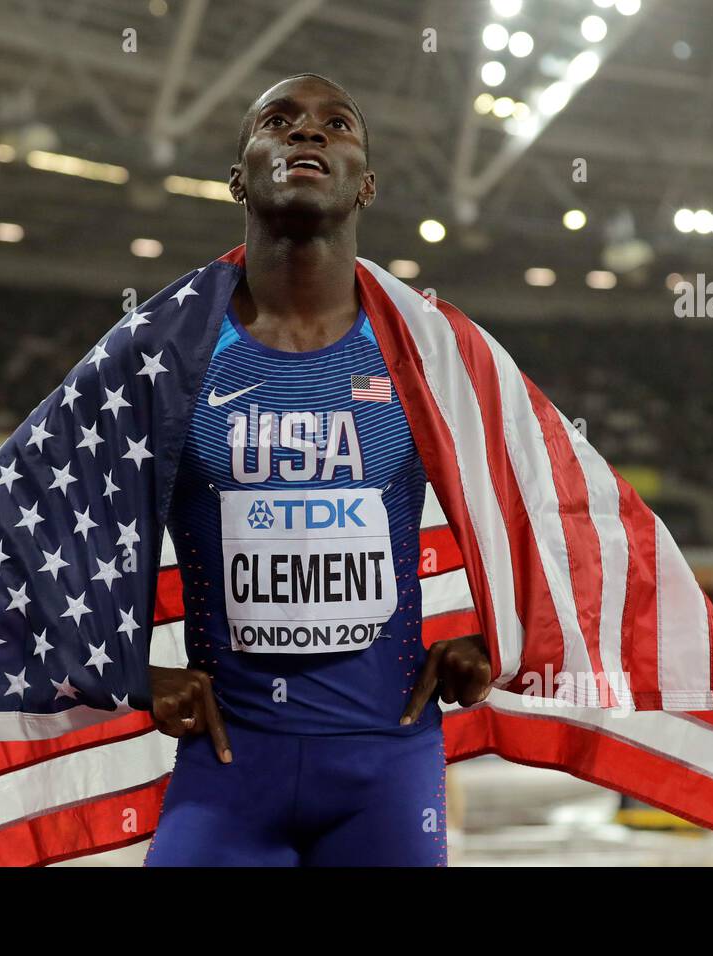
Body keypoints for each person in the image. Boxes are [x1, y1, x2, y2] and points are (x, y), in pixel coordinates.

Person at [141, 74, 492, 867]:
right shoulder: (166, 356)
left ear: (366, 183)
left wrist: (499, 635)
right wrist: (129, 669)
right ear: (238, 176)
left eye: (336, 124)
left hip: (386, 770)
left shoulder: (432, 356)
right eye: (279, 122)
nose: (308, 134)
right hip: (227, 768)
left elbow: (549, 503)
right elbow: (33, 523)